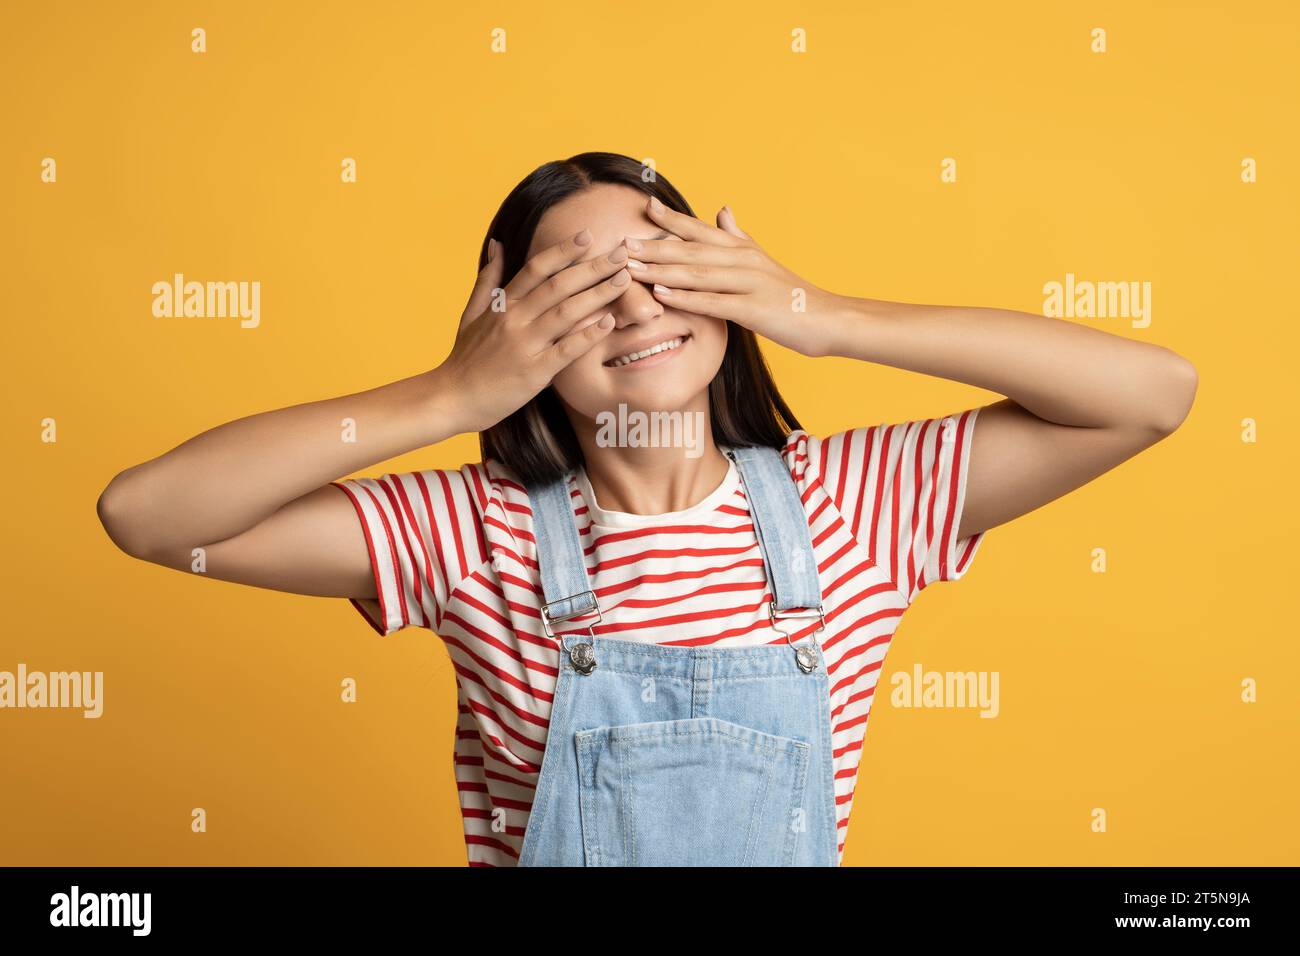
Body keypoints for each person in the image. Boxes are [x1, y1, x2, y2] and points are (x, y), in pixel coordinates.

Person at [97, 151, 1198, 866]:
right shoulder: (471, 533)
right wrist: (449, 392)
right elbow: (149, 514)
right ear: (510, 324)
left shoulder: (852, 507)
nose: (630, 305)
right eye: (574, 286)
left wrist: (823, 314)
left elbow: (1152, 395)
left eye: (659, 266)